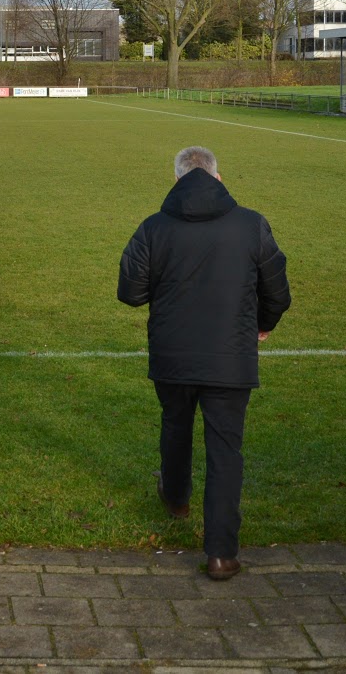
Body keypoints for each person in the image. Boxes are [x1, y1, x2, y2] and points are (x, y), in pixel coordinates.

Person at [117, 146, 289, 582]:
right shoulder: (251, 224)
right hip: (230, 355)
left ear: (176, 181)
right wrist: (263, 324)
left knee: (176, 424)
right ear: (218, 177)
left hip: (173, 352)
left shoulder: (154, 227)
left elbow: (131, 291)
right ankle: (221, 553)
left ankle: (176, 498)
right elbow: (278, 289)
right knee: (225, 450)